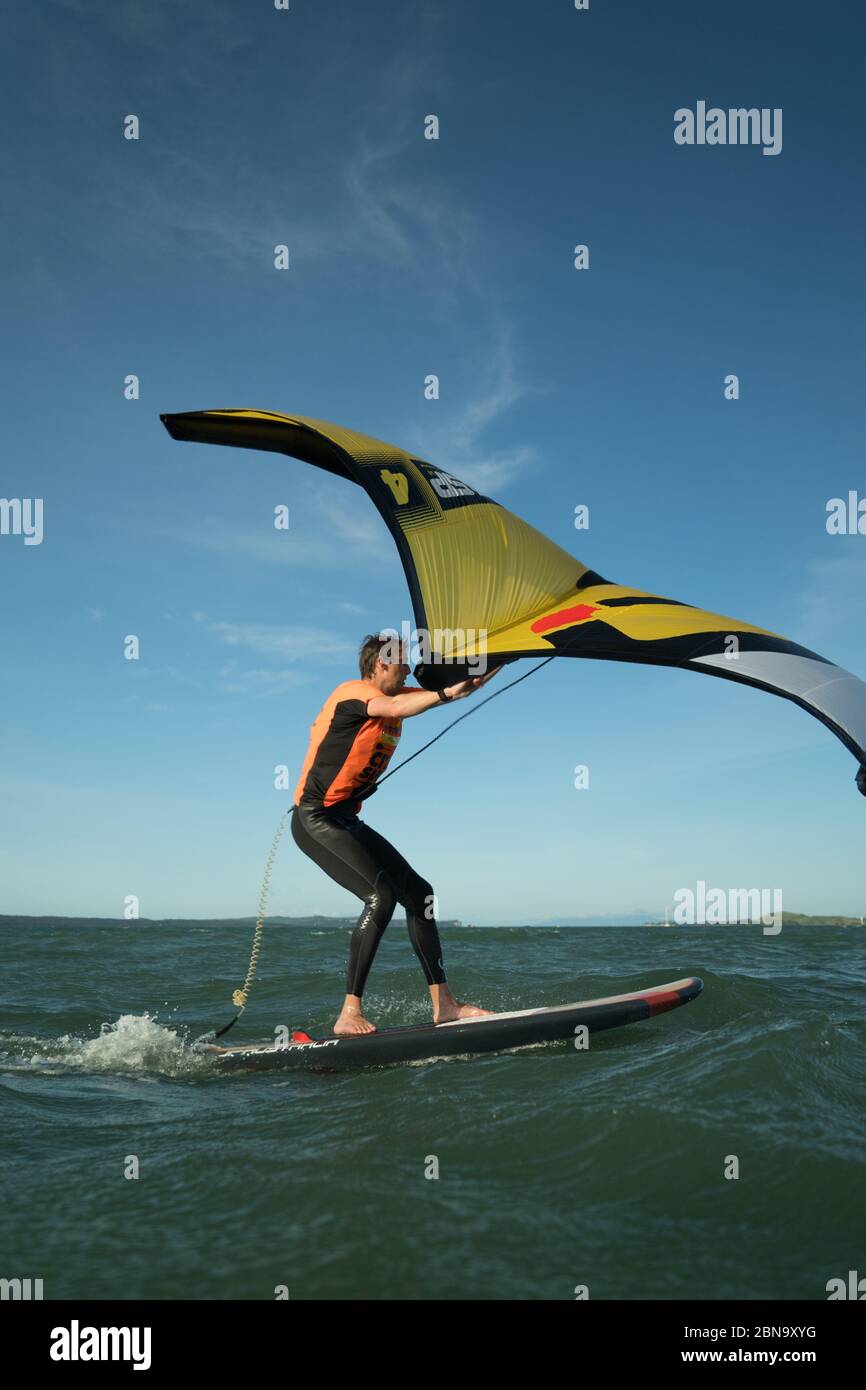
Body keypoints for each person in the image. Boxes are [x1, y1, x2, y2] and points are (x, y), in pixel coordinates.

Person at [292, 632, 499, 1036]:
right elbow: (398, 704)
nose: (408, 666)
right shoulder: (353, 693)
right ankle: (348, 1012)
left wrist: (505, 659)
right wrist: (442, 695)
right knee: (380, 894)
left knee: (420, 894)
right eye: (402, 661)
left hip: (347, 820)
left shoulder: (400, 693)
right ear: (380, 663)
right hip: (315, 819)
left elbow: (457, 690)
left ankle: (446, 1005)